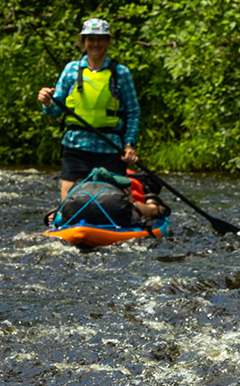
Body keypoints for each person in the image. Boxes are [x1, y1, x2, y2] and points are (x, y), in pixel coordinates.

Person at [35, 18, 140, 199]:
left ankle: (141, 214)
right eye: (90, 39)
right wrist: (46, 102)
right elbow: (56, 110)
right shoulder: (71, 70)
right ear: (83, 42)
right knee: (70, 204)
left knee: (121, 204)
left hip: (110, 149)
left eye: (100, 39)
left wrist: (129, 145)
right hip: (75, 148)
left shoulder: (121, 73)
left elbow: (133, 112)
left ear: (108, 41)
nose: (95, 43)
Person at [46, 168, 170, 229]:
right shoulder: (122, 200)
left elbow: (56, 220)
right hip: (121, 213)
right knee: (143, 209)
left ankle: (153, 202)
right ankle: (153, 202)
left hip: (79, 213)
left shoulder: (81, 190)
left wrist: (55, 215)